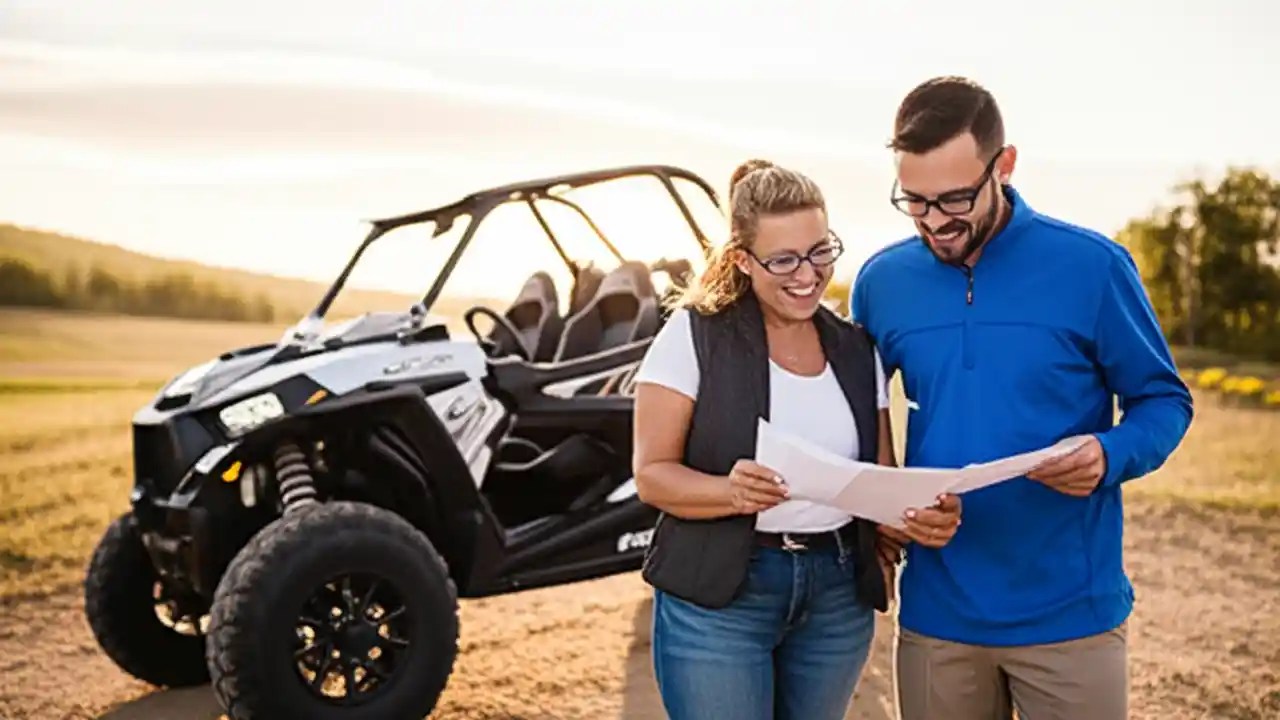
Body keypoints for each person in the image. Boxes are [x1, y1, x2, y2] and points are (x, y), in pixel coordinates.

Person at [850, 76, 1195, 720]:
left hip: (1071, 615)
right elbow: (853, 417)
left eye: (954, 198)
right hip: (938, 617)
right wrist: (885, 507)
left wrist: (1110, 452)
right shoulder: (882, 282)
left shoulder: (1094, 267)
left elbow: (1163, 400)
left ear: (1003, 166)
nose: (934, 222)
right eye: (914, 201)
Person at [631, 158, 962, 720]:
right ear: (742, 259)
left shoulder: (858, 349)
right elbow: (652, 474)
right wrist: (728, 492)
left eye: (820, 252)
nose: (807, 274)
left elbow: (877, 481)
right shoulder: (692, 335)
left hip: (835, 599)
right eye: (783, 259)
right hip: (721, 597)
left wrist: (918, 515)